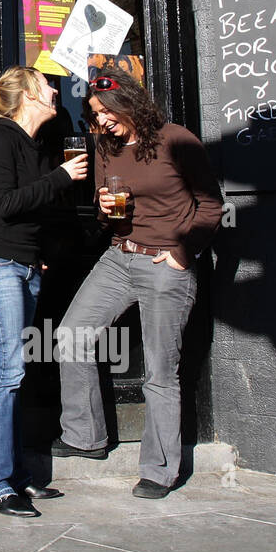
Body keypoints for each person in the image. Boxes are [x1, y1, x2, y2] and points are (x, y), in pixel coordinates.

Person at [54, 68, 222, 499]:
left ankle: (160, 470)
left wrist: (184, 252)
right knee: (71, 336)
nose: (102, 119)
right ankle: (84, 436)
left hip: (166, 263)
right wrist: (104, 205)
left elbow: (211, 204)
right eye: (94, 113)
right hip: (119, 255)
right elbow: (103, 204)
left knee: (160, 371)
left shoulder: (176, 139)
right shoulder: (105, 146)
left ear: (130, 102)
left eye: (107, 110)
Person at [0, 67, 88, 517]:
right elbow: (6, 204)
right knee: (7, 369)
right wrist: (62, 177)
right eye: (47, 85)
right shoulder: (0, 138)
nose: (56, 90)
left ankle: (14, 476)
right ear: (29, 95)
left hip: (23, 266)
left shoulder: (35, 145)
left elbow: (30, 211)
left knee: (15, 372)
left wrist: (38, 253)